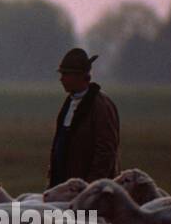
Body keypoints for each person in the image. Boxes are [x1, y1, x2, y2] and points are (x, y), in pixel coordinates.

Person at [46, 47, 120, 188]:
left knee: (85, 213)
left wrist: (89, 188)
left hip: (88, 194)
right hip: (65, 188)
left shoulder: (101, 106)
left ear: (80, 76)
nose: (61, 79)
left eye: (66, 74)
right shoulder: (69, 103)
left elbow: (105, 152)